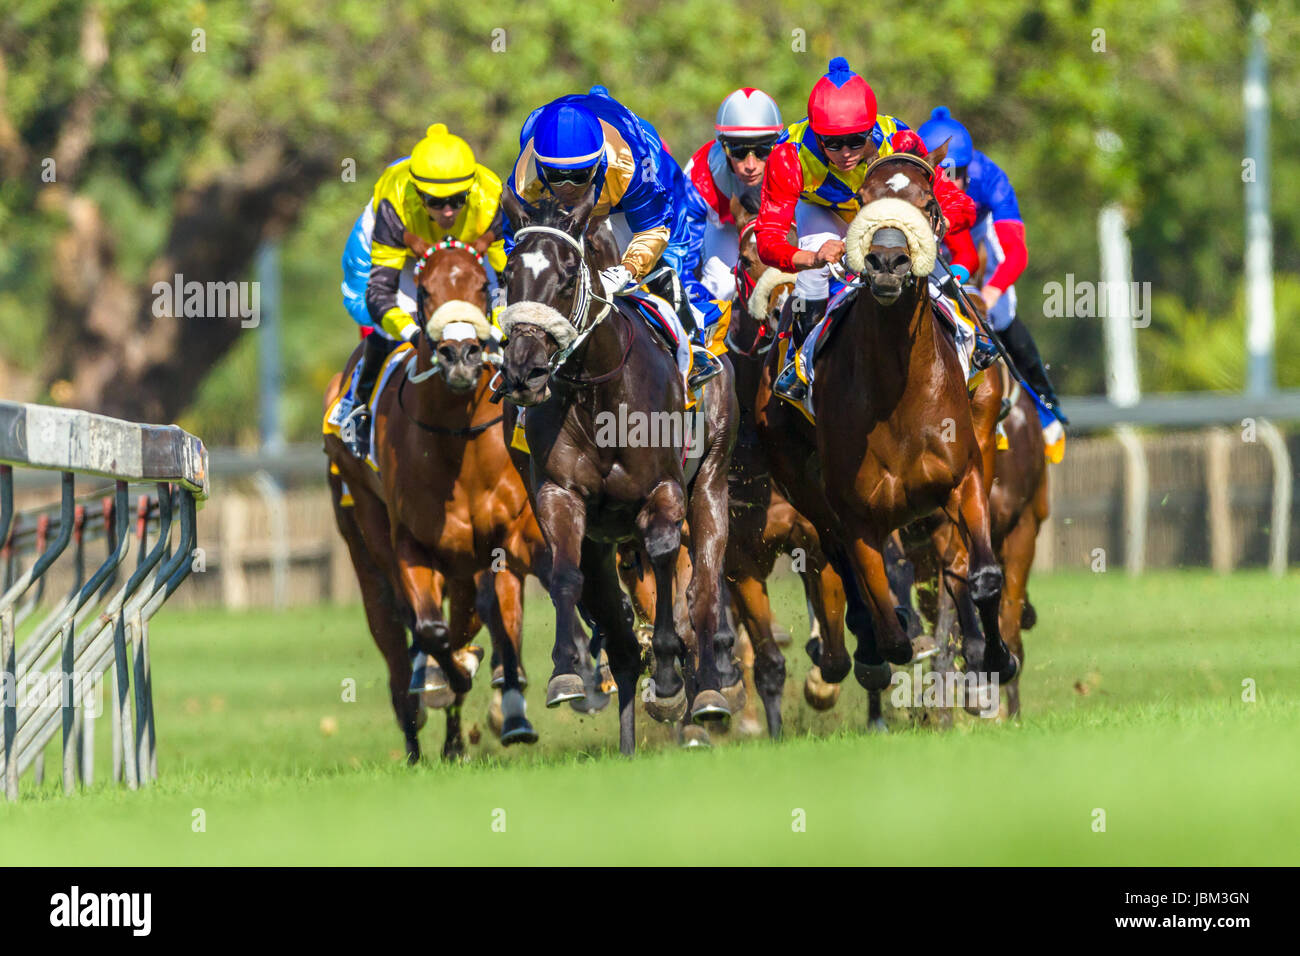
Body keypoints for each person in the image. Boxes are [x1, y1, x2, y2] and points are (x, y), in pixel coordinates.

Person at [755, 58, 974, 402]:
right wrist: (811, 257)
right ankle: (801, 364)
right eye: (831, 143)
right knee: (814, 272)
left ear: (871, 129)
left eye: (856, 141)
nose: (845, 154)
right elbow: (767, 240)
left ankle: (967, 334)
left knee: (922, 258)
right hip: (821, 211)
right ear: (815, 133)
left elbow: (960, 204)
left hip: (879, 211)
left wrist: (939, 224)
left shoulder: (901, 141)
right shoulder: (788, 155)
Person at [339, 124, 505, 457]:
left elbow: (507, 282)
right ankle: (357, 406)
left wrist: (498, 331)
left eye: (458, 201)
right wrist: (416, 335)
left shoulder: (491, 200)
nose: (448, 211)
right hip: (398, 259)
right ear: (418, 194)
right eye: (437, 201)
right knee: (386, 330)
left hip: (468, 254)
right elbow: (379, 295)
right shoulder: (394, 206)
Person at [504, 86, 704, 335]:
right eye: (556, 176)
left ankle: (693, 343)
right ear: (541, 165)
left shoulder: (629, 163)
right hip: (592, 188)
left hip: (644, 196)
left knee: (663, 268)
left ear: (597, 162)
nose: (567, 188)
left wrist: (627, 270)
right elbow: (517, 244)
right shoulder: (526, 177)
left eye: (578, 175)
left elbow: (653, 229)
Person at [918, 106, 1067, 422]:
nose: (948, 183)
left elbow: (1016, 252)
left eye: (955, 174)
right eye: (937, 175)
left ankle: (1046, 403)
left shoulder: (991, 180)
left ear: (968, 169)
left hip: (978, 227)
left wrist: (992, 292)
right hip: (931, 223)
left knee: (1000, 313)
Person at [683, 88, 785, 302]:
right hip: (725, 227)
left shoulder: (792, 162)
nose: (750, 165)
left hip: (777, 223)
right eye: (738, 152)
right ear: (723, 147)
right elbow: (684, 256)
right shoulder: (698, 175)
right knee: (722, 286)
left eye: (762, 151)